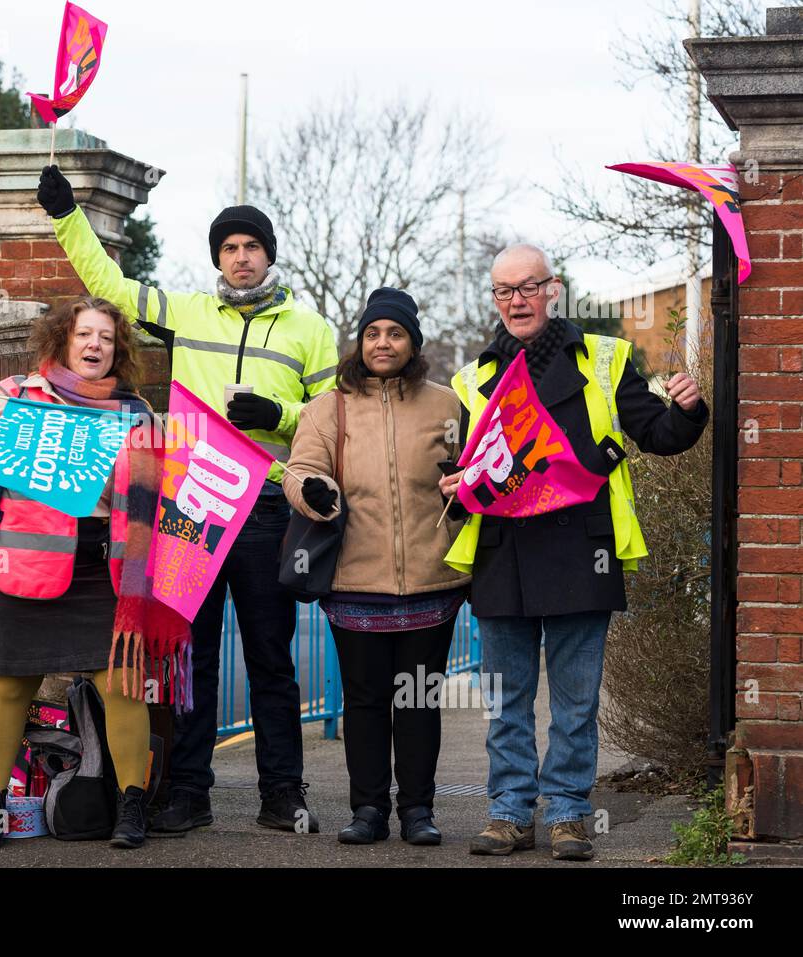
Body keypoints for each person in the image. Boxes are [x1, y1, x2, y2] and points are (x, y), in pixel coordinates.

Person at [37, 166, 339, 835]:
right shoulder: (188, 311)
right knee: (191, 657)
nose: (239, 256)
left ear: (268, 254)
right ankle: (189, 794)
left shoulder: (310, 328)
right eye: (228, 247)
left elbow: (326, 418)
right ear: (218, 260)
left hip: (263, 506)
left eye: (250, 246)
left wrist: (278, 412)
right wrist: (67, 216)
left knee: (270, 656)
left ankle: (282, 792)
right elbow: (110, 286)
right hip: (192, 507)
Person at [438, 243, 708, 861]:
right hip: (503, 554)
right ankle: (508, 814)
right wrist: (452, 479)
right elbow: (468, 465)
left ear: (553, 289)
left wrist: (690, 411)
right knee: (506, 702)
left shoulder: (606, 359)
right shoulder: (475, 377)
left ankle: (567, 815)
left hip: (582, 549)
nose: (516, 301)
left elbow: (658, 434)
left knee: (575, 703)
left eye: (527, 287)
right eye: (504, 291)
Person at [0, 296, 188, 850]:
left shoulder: (136, 413)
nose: (95, 345)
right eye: (84, 334)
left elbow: (158, 498)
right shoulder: (17, 396)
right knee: (11, 686)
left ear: (119, 350)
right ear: (62, 341)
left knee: (122, 688)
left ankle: (130, 806)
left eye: (106, 338)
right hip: (25, 566)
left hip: (105, 572)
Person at [283, 288, 470, 845]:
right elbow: (297, 472)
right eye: (372, 333)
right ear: (359, 341)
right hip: (353, 580)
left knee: (417, 700)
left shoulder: (448, 404)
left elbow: (474, 470)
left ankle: (418, 811)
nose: (382, 342)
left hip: (433, 580)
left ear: (412, 342)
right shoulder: (325, 407)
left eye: (394, 333)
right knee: (364, 703)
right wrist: (313, 491)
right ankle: (367, 810)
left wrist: (464, 487)